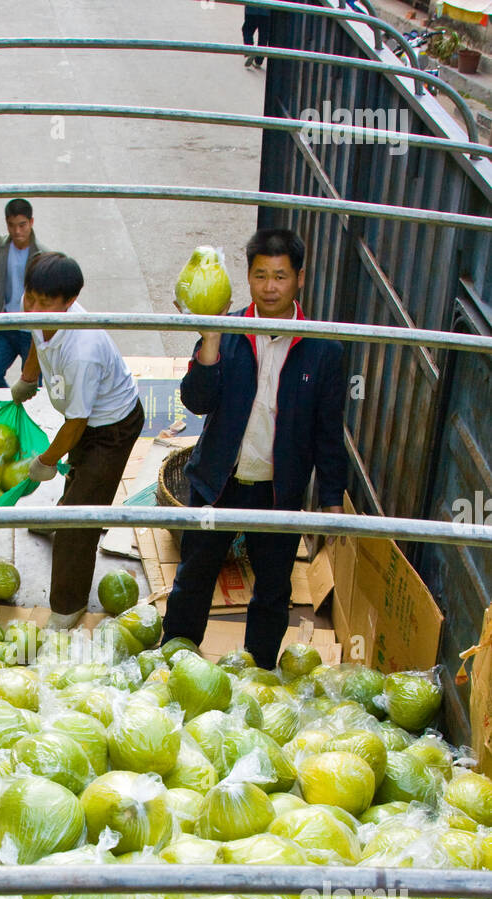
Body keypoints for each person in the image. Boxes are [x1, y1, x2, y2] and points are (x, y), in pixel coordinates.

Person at [161, 226, 348, 669]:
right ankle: (172, 661)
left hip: (276, 491)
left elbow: (328, 432)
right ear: (247, 277)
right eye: (260, 275)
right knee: (193, 578)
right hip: (218, 481)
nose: (270, 287)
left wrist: (331, 499)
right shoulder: (225, 332)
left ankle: (257, 672)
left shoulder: (324, 351)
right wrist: (208, 340)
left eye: (280, 276)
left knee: (273, 590)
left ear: (300, 278)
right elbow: (196, 401)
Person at [11, 252, 145, 629]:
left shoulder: (82, 350)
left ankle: (67, 607)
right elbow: (38, 341)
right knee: (79, 480)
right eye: (30, 298)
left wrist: (46, 460)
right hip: (88, 423)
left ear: (68, 303)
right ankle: (64, 511)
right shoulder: (43, 316)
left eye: (45, 303)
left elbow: (75, 425)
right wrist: (28, 376)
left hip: (112, 429)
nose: (34, 309)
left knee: (79, 522)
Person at [0, 198, 49, 389]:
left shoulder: (42, 255)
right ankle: (11, 407)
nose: (17, 231)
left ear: (31, 222)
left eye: (22, 225)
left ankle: (25, 415)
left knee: (31, 385)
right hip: (5, 325)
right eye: (12, 226)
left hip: (31, 332)